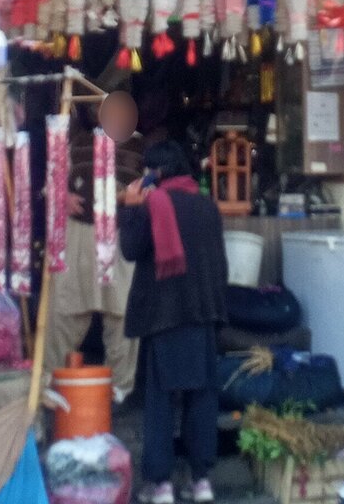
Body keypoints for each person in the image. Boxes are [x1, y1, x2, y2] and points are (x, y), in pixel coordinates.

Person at [120, 140, 228, 504]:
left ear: (156, 173)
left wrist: (130, 208)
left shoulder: (153, 205)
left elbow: (131, 250)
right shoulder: (206, 206)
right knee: (201, 397)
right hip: (202, 313)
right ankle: (201, 483)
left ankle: (162, 485)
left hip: (164, 315)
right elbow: (219, 263)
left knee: (160, 401)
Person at [44, 131, 143, 404]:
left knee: (123, 313)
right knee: (63, 310)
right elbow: (48, 185)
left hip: (119, 236)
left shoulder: (136, 142)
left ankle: (118, 391)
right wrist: (60, 196)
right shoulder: (73, 140)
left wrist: (130, 200)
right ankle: (50, 383)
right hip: (76, 234)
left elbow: (150, 191)